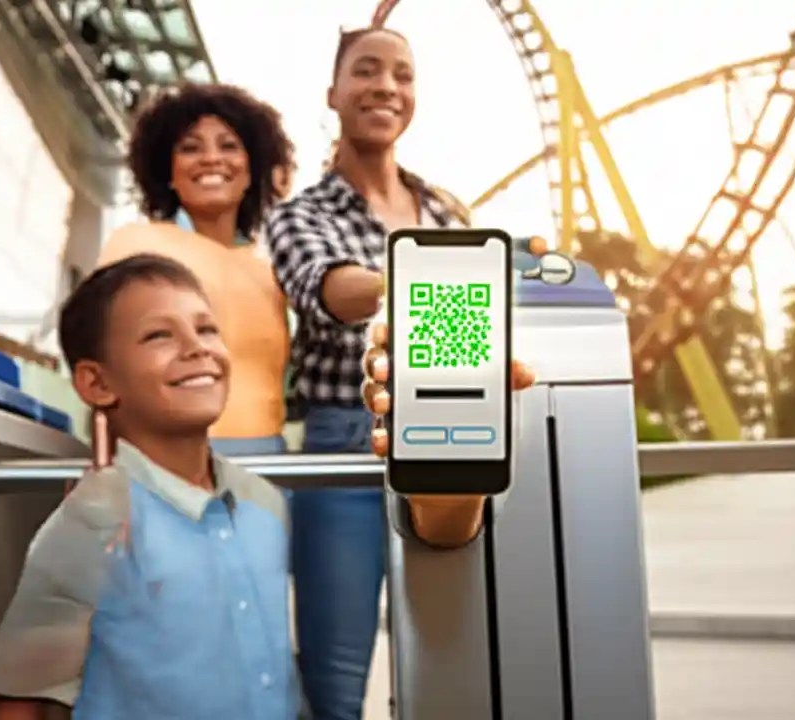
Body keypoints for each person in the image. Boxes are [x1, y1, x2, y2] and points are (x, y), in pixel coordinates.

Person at [264, 25, 482, 719]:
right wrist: (429, 279)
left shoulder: (446, 210)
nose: (385, 86)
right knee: (336, 671)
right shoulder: (302, 214)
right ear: (332, 93)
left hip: (449, 418)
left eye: (402, 75)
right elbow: (324, 290)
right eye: (365, 71)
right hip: (344, 443)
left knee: (458, 646)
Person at [0, 254, 301, 719]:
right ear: (97, 383)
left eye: (207, 329)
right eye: (159, 335)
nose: (197, 349)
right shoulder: (96, 517)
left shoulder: (266, 505)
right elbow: (18, 701)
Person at [98, 83, 295, 457]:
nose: (211, 158)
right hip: (163, 459)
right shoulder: (136, 245)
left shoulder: (272, 270)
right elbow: (105, 360)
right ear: (167, 171)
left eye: (229, 146)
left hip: (269, 465)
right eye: (190, 147)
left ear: (252, 168)